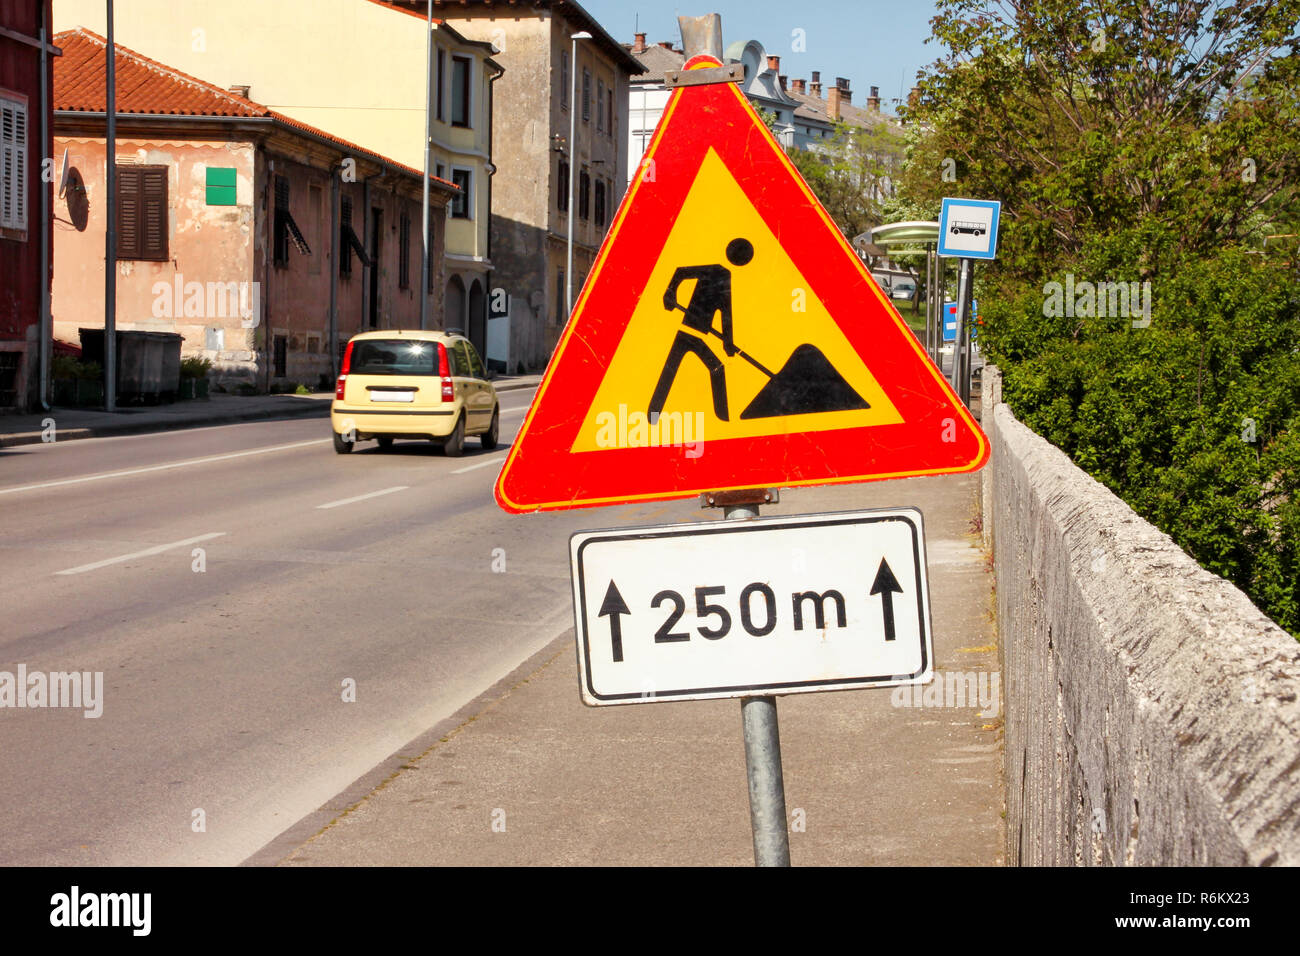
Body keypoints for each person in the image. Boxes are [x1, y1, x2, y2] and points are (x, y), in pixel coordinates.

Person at [649, 238, 754, 423]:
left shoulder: (723, 275)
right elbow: (681, 272)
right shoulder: (715, 271)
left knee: (690, 369)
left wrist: (727, 342)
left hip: (695, 334)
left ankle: (723, 420)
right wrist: (670, 292)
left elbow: (725, 313)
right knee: (674, 370)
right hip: (687, 331)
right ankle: (653, 417)